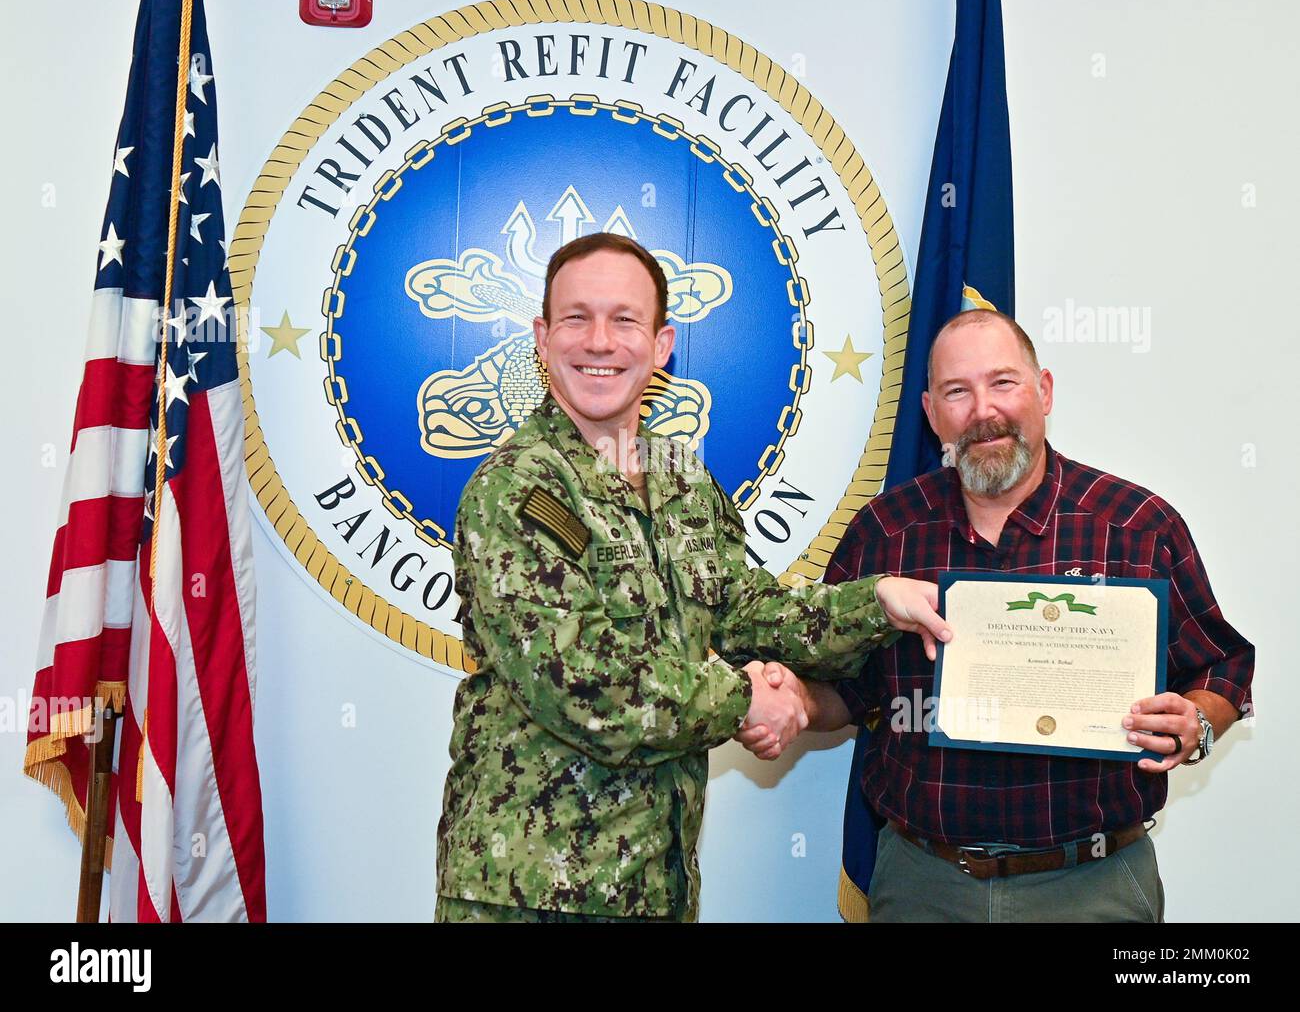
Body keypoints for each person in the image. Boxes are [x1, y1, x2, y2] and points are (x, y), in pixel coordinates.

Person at [434, 232, 951, 923]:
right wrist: (748, 700)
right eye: (576, 318)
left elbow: (743, 610)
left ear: (661, 344)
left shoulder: (680, 476)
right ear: (542, 336)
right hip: (530, 893)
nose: (599, 341)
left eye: (624, 320)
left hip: (654, 882)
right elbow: (583, 680)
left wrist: (876, 605)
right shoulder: (517, 488)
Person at [739, 308, 1254, 923]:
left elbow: (1224, 666)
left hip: (1093, 884)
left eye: (1004, 382)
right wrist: (792, 700)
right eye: (958, 391)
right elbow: (847, 691)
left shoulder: (1138, 527)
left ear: (1044, 391)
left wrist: (1197, 722)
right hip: (923, 883)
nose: (983, 411)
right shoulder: (886, 532)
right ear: (932, 414)